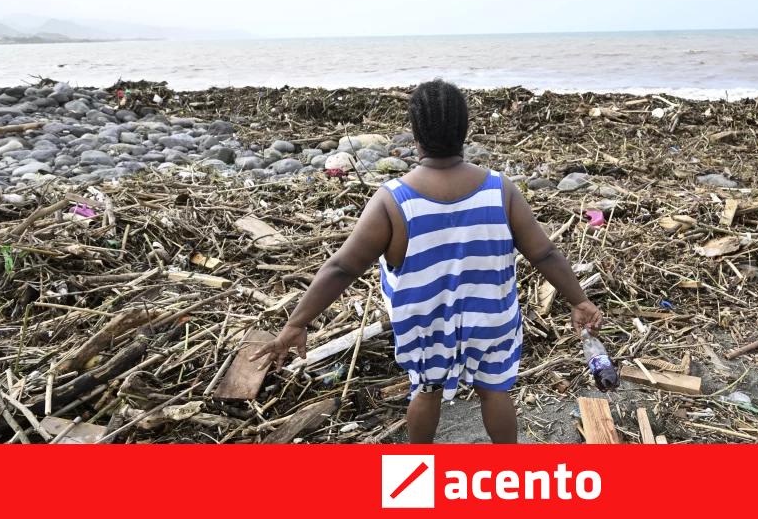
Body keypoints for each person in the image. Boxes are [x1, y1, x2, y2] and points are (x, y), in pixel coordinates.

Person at [250, 79, 602, 443]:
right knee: (494, 390)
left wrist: (297, 322)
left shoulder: (393, 200)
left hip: (426, 325)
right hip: (490, 318)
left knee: (427, 389)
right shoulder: (501, 190)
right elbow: (544, 253)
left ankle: (418, 468)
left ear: (416, 135)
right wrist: (579, 300)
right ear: (464, 131)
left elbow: (342, 268)